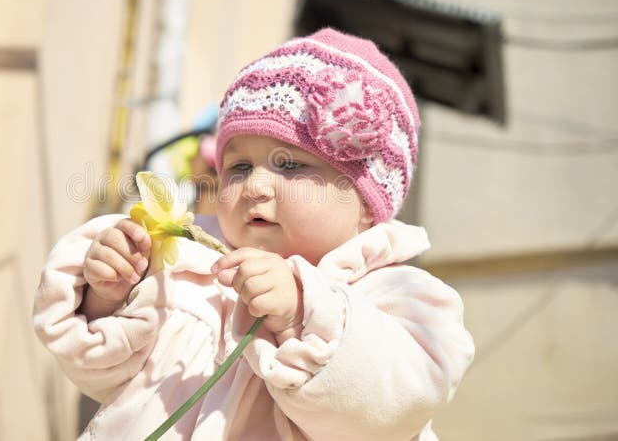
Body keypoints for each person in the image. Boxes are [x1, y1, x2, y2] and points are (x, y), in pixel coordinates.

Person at [33, 28, 475, 440]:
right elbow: (103, 376)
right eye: (239, 167)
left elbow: (394, 406)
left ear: (365, 205)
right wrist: (105, 297)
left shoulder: (396, 298)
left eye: (290, 164)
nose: (255, 186)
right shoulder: (190, 269)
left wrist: (304, 312)